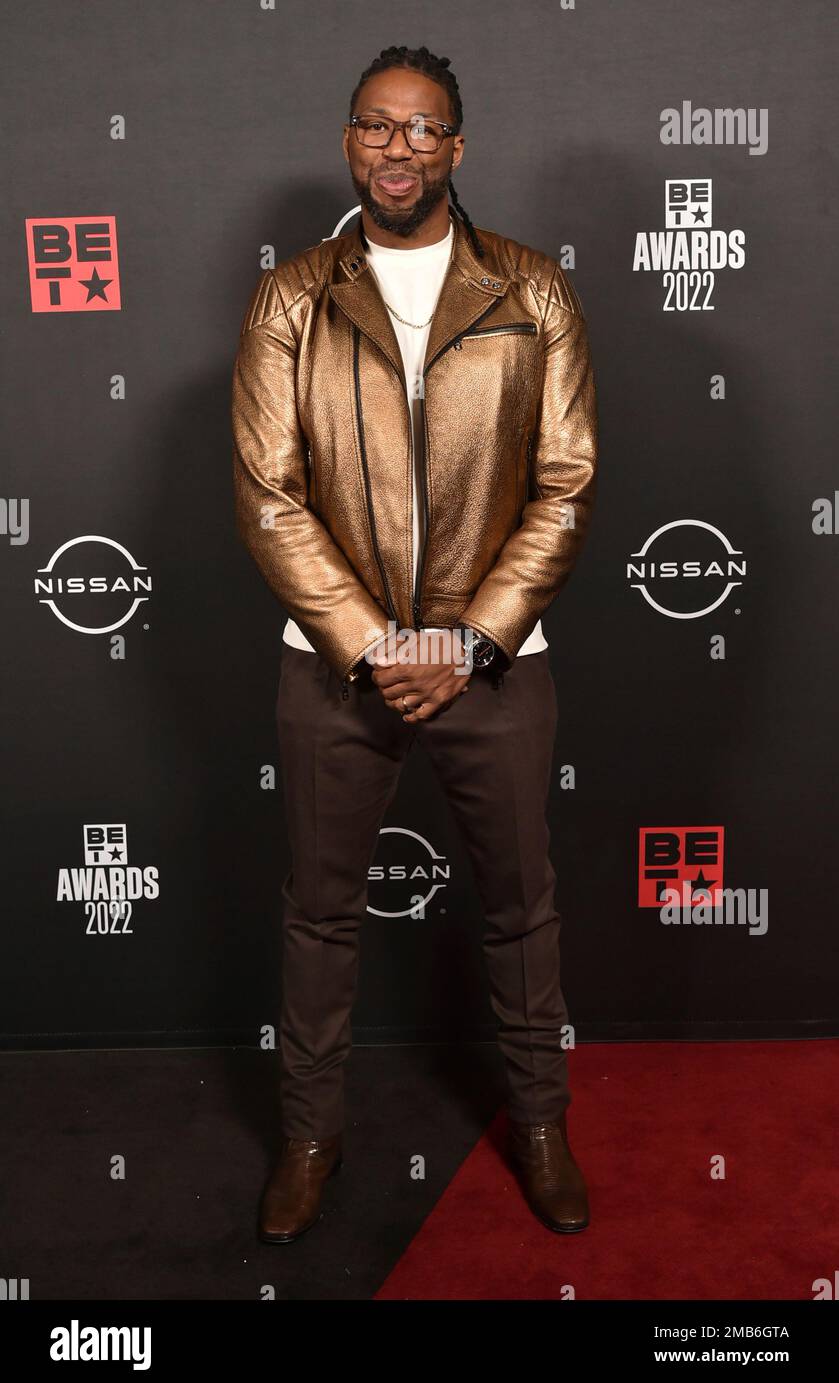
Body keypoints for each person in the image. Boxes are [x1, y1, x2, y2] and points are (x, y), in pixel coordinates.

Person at [231, 43, 598, 1243]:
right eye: (374, 126)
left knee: (518, 908)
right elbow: (269, 492)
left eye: (421, 127)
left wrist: (470, 639)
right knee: (319, 914)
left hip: (496, 665)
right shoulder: (292, 295)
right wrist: (373, 641)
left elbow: (563, 483)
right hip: (334, 663)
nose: (397, 147)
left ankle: (539, 1125)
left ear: (456, 146)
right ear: (349, 141)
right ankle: (307, 1136)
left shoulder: (531, 290)